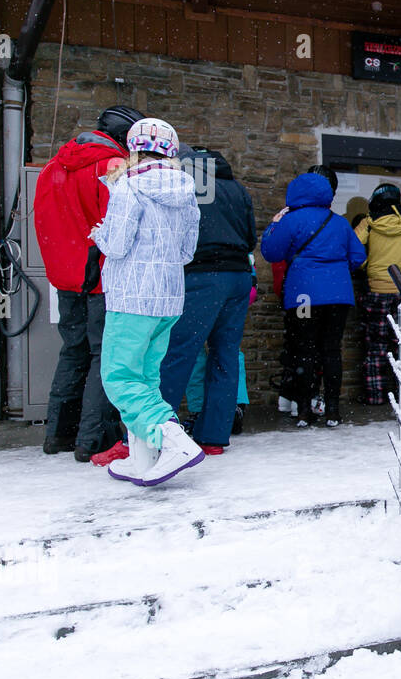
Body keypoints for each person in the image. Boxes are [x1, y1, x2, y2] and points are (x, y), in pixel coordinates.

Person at [92, 117, 203, 486]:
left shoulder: (127, 187)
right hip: (169, 298)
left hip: (132, 296)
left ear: (134, 149)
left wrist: (100, 234)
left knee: (119, 377)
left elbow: (118, 245)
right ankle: (141, 459)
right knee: (145, 379)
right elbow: (187, 252)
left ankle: (174, 440)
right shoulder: (188, 193)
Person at [33, 105, 142, 463]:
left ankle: (58, 434)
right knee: (103, 356)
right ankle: (92, 439)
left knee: (73, 350)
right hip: (101, 275)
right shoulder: (112, 168)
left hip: (66, 276)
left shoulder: (53, 167)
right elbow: (117, 226)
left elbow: (45, 224)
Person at [158, 147, 256, 454]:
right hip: (238, 276)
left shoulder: (185, 185)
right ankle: (214, 436)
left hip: (201, 276)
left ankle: (157, 433)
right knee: (225, 355)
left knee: (178, 353)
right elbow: (252, 237)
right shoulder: (238, 190)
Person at [260, 170, 366, 428]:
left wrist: (274, 225)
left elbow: (272, 253)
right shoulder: (340, 222)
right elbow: (359, 256)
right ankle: (332, 410)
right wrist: (336, 271)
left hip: (304, 295)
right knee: (331, 351)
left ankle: (305, 410)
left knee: (305, 350)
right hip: (338, 296)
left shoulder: (291, 220)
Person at [272, 164, 338, 418]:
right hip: (310, 290)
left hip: (296, 289)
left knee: (300, 345)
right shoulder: (326, 217)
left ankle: (292, 396)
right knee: (314, 348)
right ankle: (303, 398)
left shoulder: (292, 213)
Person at [354, 183, 401, 406]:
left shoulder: (368, 223)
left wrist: (368, 266)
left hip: (376, 291)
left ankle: (375, 395)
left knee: (375, 347)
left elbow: (354, 251)